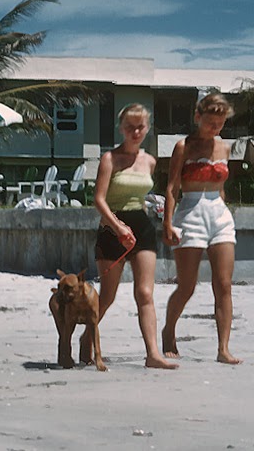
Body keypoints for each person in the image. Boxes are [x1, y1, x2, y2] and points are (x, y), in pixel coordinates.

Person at [90, 103, 178, 370]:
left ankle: (153, 353)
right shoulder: (110, 159)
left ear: (147, 128)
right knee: (108, 297)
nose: (136, 131)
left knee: (145, 293)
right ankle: (87, 337)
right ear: (122, 129)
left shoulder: (149, 161)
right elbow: (99, 199)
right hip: (112, 227)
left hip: (142, 227)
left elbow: (146, 198)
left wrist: (166, 222)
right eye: (130, 127)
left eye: (141, 126)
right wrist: (118, 228)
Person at [162, 93, 242, 365]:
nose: (215, 129)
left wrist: (223, 212)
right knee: (187, 286)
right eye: (210, 123)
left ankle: (223, 348)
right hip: (190, 213)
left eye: (220, 124)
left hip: (219, 215)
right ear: (198, 117)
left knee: (224, 284)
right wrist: (168, 222)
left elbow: (221, 188)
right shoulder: (183, 146)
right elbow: (172, 187)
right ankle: (168, 331)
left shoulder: (225, 148)